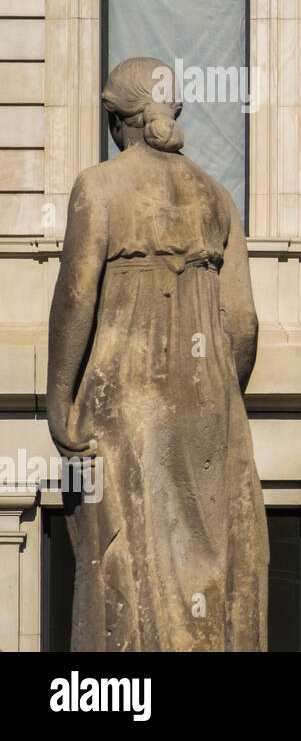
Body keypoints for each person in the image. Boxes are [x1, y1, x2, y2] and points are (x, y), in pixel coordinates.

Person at [46, 57, 267, 650]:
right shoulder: (217, 197)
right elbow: (242, 324)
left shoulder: (99, 185)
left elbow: (75, 298)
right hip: (208, 403)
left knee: (125, 564)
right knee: (207, 559)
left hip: (124, 397)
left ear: (121, 119)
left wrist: (58, 396)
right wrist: (219, 389)